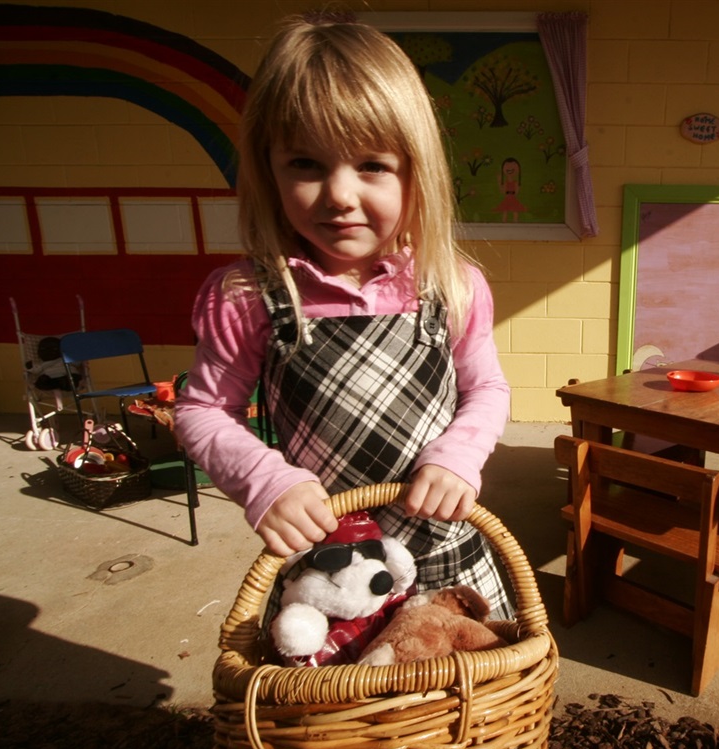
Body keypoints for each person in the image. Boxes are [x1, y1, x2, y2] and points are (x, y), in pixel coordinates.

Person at [173, 16, 514, 619]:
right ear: (266, 169)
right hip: (333, 573)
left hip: (447, 556)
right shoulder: (248, 295)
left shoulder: (453, 286)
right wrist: (266, 480)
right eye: (305, 163)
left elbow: (485, 387)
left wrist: (459, 454)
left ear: (418, 171)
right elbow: (202, 410)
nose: (339, 195)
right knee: (341, 710)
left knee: (464, 699)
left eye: (373, 165)